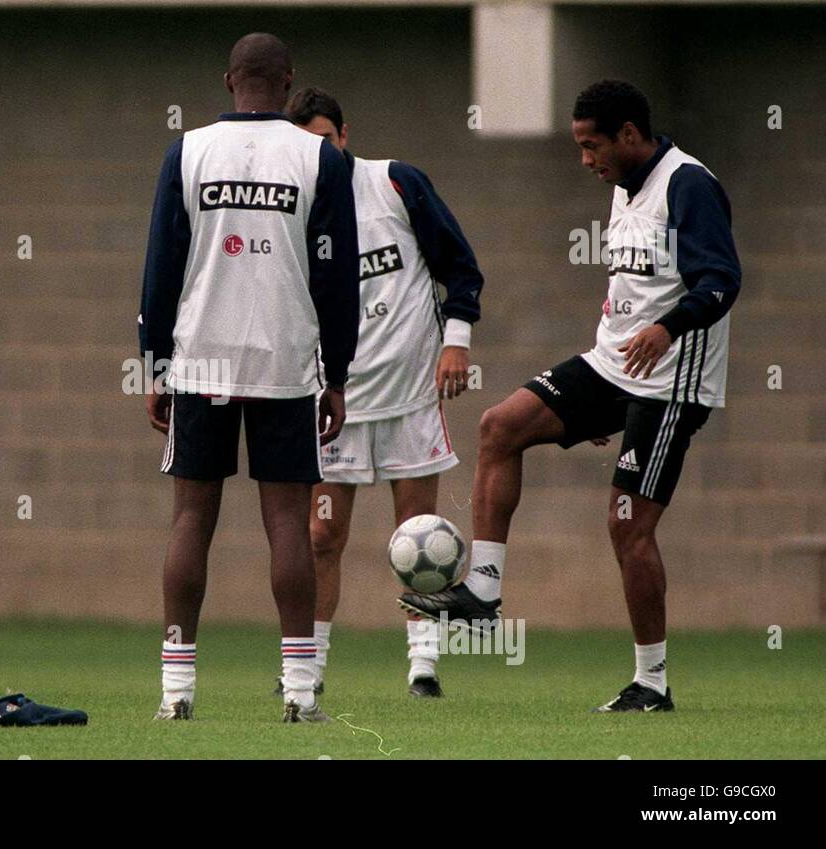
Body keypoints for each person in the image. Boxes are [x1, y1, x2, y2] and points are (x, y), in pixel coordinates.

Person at [398, 80, 740, 712]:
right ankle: (484, 591)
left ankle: (652, 683)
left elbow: (720, 282)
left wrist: (667, 330)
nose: (585, 159)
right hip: (613, 367)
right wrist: (597, 401)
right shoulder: (621, 187)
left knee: (627, 524)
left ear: (629, 136)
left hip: (671, 382)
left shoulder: (688, 184)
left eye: (592, 146)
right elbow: (631, 289)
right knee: (501, 425)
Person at [139, 34, 360, 722]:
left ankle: (177, 694)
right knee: (289, 521)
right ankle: (298, 692)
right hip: (285, 360)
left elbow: (160, 269)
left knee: (190, 519)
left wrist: (154, 364)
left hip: (201, 358)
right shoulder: (319, 157)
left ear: (228, 79)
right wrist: (337, 372)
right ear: (288, 81)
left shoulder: (189, 150)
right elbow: (336, 276)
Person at [287, 87, 484, 698]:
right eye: (304, 145)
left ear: (344, 135)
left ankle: (423, 667)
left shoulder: (396, 182)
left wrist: (457, 340)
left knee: (419, 533)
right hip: (335, 399)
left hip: (408, 390)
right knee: (321, 535)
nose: (317, 152)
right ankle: (307, 671)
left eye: (324, 138)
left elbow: (459, 264)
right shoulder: (295, 211)